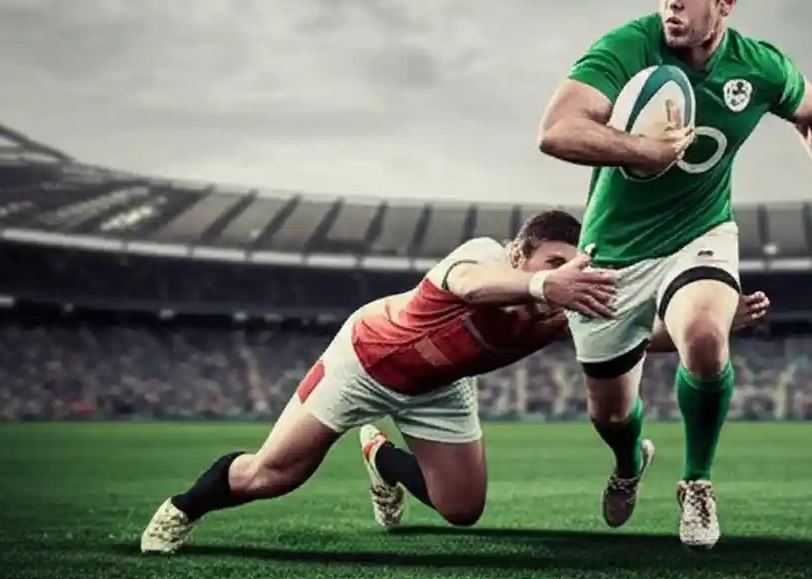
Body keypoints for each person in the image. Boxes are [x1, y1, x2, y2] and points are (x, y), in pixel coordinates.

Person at [140, 209, 770, 553]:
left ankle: (382, 458)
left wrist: (712, 325)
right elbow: (469, 286)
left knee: (463, 510)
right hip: (365, 361)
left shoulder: (556, 310)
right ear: (521, 255)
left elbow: (635, 341)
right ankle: (182, 508)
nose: (566, 276)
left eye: (575, 266)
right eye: (555, 263)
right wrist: (543, 283)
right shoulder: (482, 256)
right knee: (273, 476)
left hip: (440, 389)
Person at [537, 0, 812, 550]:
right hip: (615, 253)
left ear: (727, 1)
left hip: (701, 233)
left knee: (707, 340)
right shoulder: (629, 45)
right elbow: (555, 131)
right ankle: (631, 462)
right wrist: (642, 151)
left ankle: (697, 483)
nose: (673, 2)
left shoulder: (761, 66)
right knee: (609, 416)